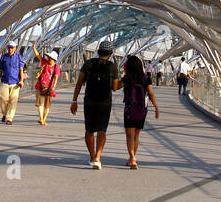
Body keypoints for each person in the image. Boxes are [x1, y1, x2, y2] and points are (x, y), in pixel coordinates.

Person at [70, 40, 118, 169]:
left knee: (89, 130)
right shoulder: (112, 66)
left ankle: (91, 156)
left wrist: (74, 101)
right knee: (102, 131)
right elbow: (114, 87)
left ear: (98, 51)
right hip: (105, 103)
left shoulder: (88, 64)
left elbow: (79, 83)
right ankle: (98, 157)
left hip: (89, 101)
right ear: (110, 53)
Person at [115, 54, 159, 169]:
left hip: (129, 109)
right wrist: (156, 107)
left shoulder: (127, 77)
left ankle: (132, 158)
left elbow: (116, 87)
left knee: (129, 135)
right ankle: (132, 158)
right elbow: (151, 93)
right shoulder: (145, 78)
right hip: (141, 110)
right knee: (136, 135)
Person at [0, 40, 24, 124]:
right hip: (5, 81)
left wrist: (21, 80)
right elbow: (0, 70)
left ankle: (9, 118)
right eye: (9, 47)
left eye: (12, 48)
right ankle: (5, 114)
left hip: (15, 82)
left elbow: (21, 69)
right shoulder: (4, 57)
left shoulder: (19, 57)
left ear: (15, 48)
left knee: (13, 101)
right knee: (3, 99)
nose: (10, 49)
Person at [35, 50, 61, 125]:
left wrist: (54, 87)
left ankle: (44, 119)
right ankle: (41, 119)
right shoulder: (45, 63)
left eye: (51, 58)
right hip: (40, 86)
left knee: (47, 105)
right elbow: (38, 56)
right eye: (49, 57)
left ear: (54, 59)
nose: (49, 59)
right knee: (40, 103)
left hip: (50, 88)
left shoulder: (56, 67)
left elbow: (56, 77)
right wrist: (34, 48)